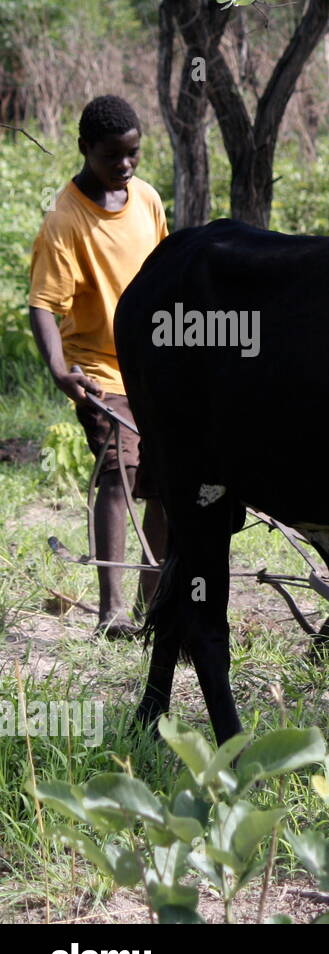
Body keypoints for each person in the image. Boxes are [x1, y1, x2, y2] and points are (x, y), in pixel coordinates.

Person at [28, 94, 169, 637]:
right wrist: (61, 371)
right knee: (119, 473)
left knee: (163, 483)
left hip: (151, 367)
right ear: (86, 149)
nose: (125, 166)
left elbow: (162, 278)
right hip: (97, 371)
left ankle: (151, 607)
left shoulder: (148, 200)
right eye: (113, 155)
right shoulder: (65, 219)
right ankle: (112, 612)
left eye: (133, 154)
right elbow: (44, 303)